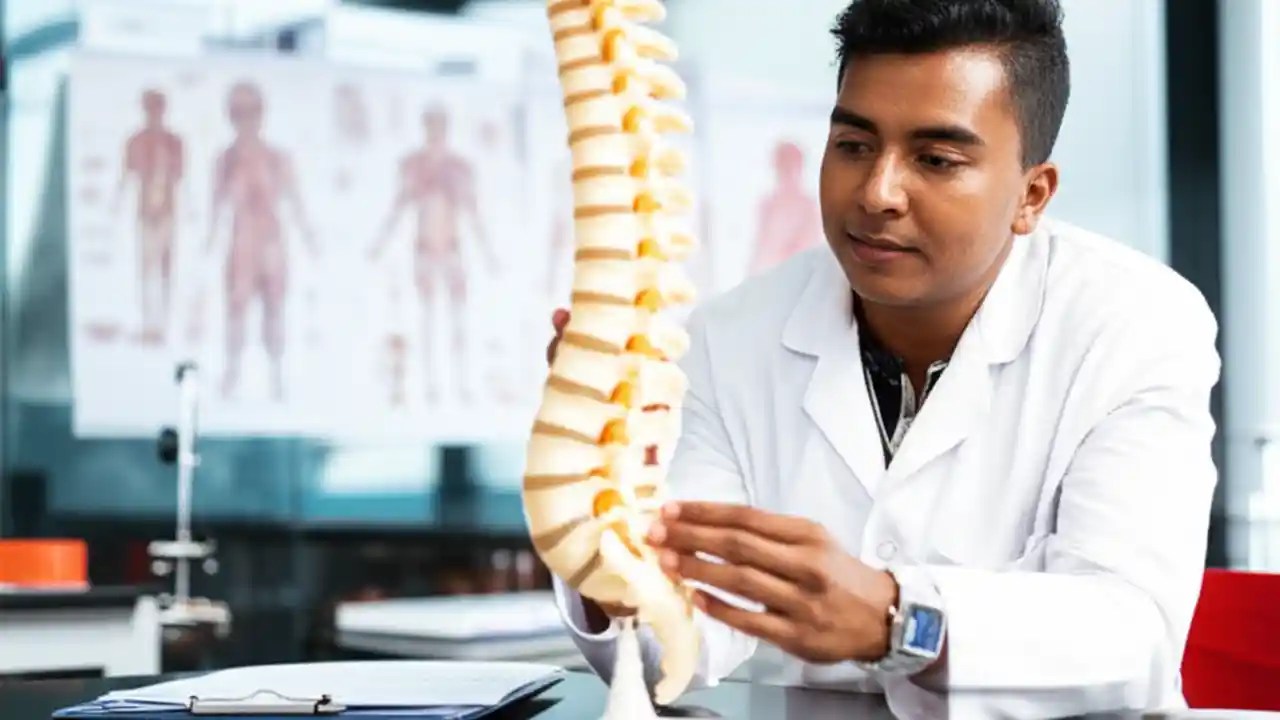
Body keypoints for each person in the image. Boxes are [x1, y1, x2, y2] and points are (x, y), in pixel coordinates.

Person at [543, 0, 1219, 715]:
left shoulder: (1137, 324)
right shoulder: (725, 337)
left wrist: (897, 622)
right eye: (855, 145)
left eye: (935, 159)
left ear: (1031, 195)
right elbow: (677, 645)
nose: (877, 193)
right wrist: (603, 496)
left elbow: (1131, 634)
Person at [368, 105, 500, 405]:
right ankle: (431, 385)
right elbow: (398, 207)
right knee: (428, 319)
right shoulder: (413, 167)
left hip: (453, 249)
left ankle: (462, 381)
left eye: (439, 126)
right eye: (431, 126)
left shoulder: (459, 168)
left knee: (458, 320)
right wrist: (380, 243)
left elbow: (473, 211)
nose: (435, 132)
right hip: (424, 250)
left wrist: (488, 253)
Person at [207, 81, 317, 401]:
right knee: (237, 309)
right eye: (239, 112)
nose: (246, 119)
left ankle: (277, 375)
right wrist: (208, 242)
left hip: (271, 240)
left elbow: (296, 201)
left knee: (274, 309)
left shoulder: (277, 158)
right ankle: (232, 373)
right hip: (242, 240)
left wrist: (309, 237)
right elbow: (216, 205)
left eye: (252, 111)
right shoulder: (225, 160)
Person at [114, 88, 185, 344]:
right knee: (146, 268)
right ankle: (148, 322)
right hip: (145, 213)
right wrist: (116, 204)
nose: (154, 113)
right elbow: (126, 175)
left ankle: (164, 322)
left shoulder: (174, 141)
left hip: (168, 212)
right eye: (150, 108)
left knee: (166, 267)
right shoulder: (136, 140)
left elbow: (180, 180)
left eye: (157, 107)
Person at [747, 141, 823, 275]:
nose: (787, 172)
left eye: (791, 166)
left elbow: (812, 247)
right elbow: (760, 247)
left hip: (799, 277)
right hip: (771, 279)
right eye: (783, 166)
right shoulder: (768, 205)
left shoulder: (808, 206)